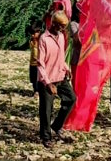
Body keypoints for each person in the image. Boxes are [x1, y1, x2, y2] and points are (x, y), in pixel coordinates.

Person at [37, 11, 76, 146]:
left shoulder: (61, 36)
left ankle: (57, 125)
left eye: (64, 26)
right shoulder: (43, 39)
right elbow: (40, 63)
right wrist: (48, 83)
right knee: (46, 109)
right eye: (61, 26)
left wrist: (66, 68)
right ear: (54, 24)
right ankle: (46, 137)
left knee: (71, 99)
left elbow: (60, 56)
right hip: (47, 79)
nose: (63, 29)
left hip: (60, 76)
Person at [27, 23, 43, 95]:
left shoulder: (41, 41)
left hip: (39, 63)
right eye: (31, 34)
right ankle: (35, 90)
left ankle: (38, 91)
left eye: (34, 33)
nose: (32, 35)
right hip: (32, 62)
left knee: (38, 78)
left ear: (39, 32)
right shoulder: (32, 41)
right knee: (33, 78)